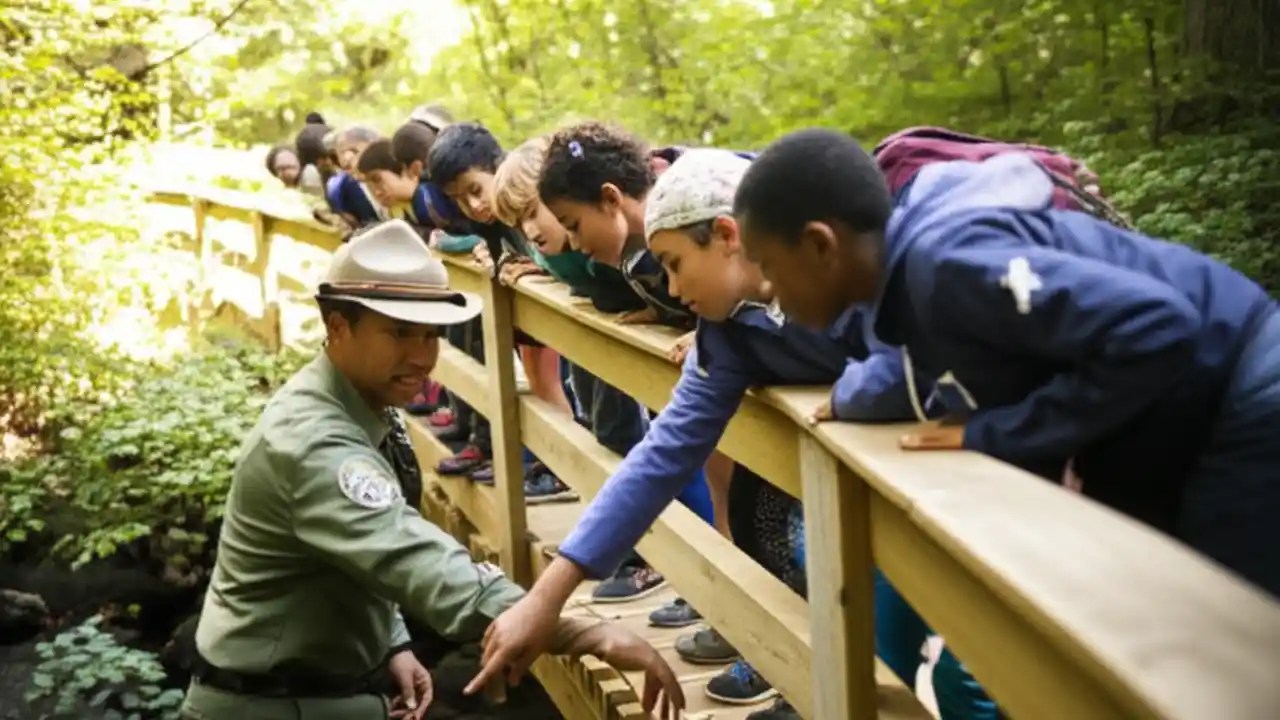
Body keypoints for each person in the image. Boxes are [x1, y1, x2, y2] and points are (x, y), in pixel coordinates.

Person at [469, 150, 972, 719]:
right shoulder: (728, 335)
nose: (672, 288)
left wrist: (854, 392)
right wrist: (546, 597)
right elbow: (660, 457)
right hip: (889, 499)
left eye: (676, 263)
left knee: (973, 667)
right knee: (892, 656)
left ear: (728, 236)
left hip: (982, 480)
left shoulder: (848, 264)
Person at [732, 128, 1280, 599]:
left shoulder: (945, 266)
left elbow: (1158, 327)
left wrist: (994, 432)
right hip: (1203, 401)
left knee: (1228, 635)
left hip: (1245, 378)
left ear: (820, 245)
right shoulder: (903, 302)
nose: (762, 285)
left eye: (767, 264)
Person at [181, 219, 684, 720]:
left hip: (317, 687)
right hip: (269, 701)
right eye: (399, 333)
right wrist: (589, 633)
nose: (423, 356)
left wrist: (391, 641)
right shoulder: (311, 442)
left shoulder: (360, 396)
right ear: (338, 327)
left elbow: (363, 546)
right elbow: (423, 564)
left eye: (431, 334)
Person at [426, 123, 578, 501]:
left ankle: (566, 471)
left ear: (499, 165)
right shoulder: (495, 226)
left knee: (554, 388)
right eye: (461, 200)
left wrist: (536, 268)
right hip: (530, 318)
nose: (474, 205)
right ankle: (553, 465)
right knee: (539, 385)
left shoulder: (535, 198)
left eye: (476, 189)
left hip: (564, 317)